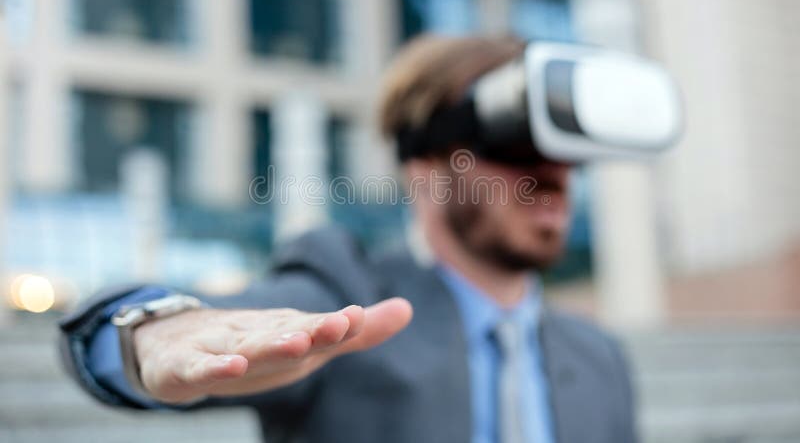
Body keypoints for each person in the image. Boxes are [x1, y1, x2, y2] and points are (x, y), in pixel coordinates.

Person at [58, 35, 637, 443]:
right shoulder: (348, 298)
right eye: (515, 148)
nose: (556, 178)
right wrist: (151, 333)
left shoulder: (601, 357)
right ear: (428, 168)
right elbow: (219, 325)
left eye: (565, 155)